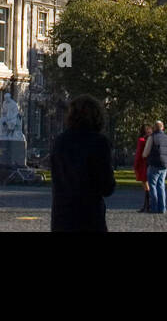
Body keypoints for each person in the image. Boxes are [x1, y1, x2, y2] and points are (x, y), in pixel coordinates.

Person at [49, 95, 116, 231]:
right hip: (89, 216)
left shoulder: (60, 141)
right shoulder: (99, 142)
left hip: (62, 216)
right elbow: (106, 186)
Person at [142, 119, 167, 214]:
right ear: (162, 127)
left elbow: (146, 152)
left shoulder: (152, 137)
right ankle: (162, 208)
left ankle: (154, 207)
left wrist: (144, 155)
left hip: (154, 163)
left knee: (153, 186)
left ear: (154, 128)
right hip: (165, 164)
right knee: (161, 185)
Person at [133, 124, 153, 212]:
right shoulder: (150, 139)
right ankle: (147, 205)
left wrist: (135, 165)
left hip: (142, 165)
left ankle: (147, 205)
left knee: (146, 186)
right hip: (148, 164)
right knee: (148, 186)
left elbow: (138, 154)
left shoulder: (141, 140)